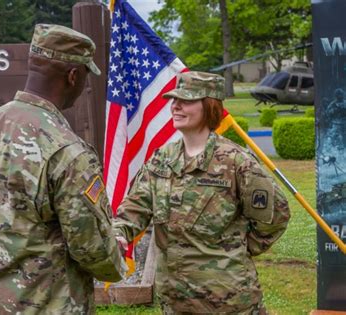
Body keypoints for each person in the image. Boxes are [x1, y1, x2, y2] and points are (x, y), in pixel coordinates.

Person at [0, 24, 125, 314]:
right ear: (73, 76)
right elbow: (90, 247)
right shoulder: (67, 151)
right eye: (85, 75)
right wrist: (115, 256)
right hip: (52, 304)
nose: (86, 85)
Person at [113, 71, 290, 314]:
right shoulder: (162, 160)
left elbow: (275, 216)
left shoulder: (236, 162)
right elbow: (135, 208)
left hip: (228, 301)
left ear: (209, 106)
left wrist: (236, 250)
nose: (175, 106)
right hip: (175, 301)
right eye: (174, 100)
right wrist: (120, 233)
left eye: (186, 100)